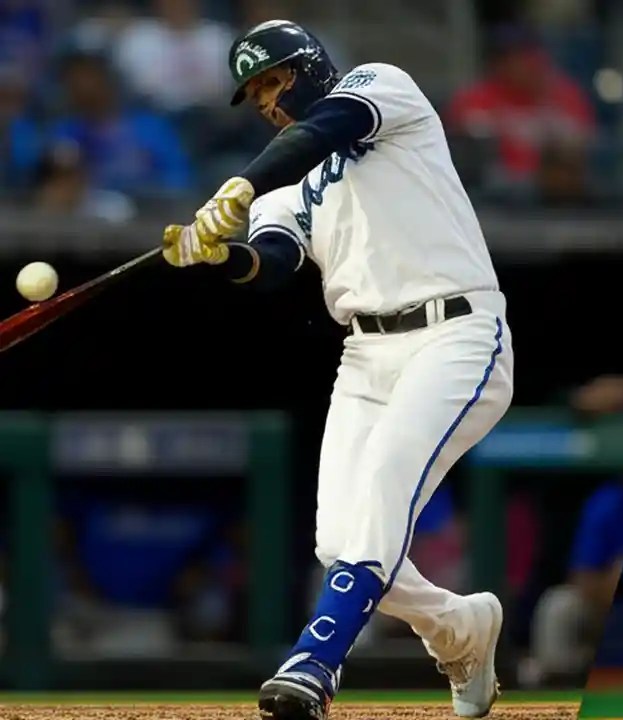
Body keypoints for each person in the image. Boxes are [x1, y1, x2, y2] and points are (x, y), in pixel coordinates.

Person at [158, 20, 514, 720]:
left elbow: (325, 128)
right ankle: (459, 627)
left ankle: (315, 663)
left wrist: (236, 180)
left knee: (384, 486)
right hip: (365, 355)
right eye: (254, 92)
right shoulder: (285, 193)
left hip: (456, 334)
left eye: (273, 80)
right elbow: (271, 265)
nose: (266, 100)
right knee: (340, 543)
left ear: (310, 67)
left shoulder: (382, 87)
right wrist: (216, 256)